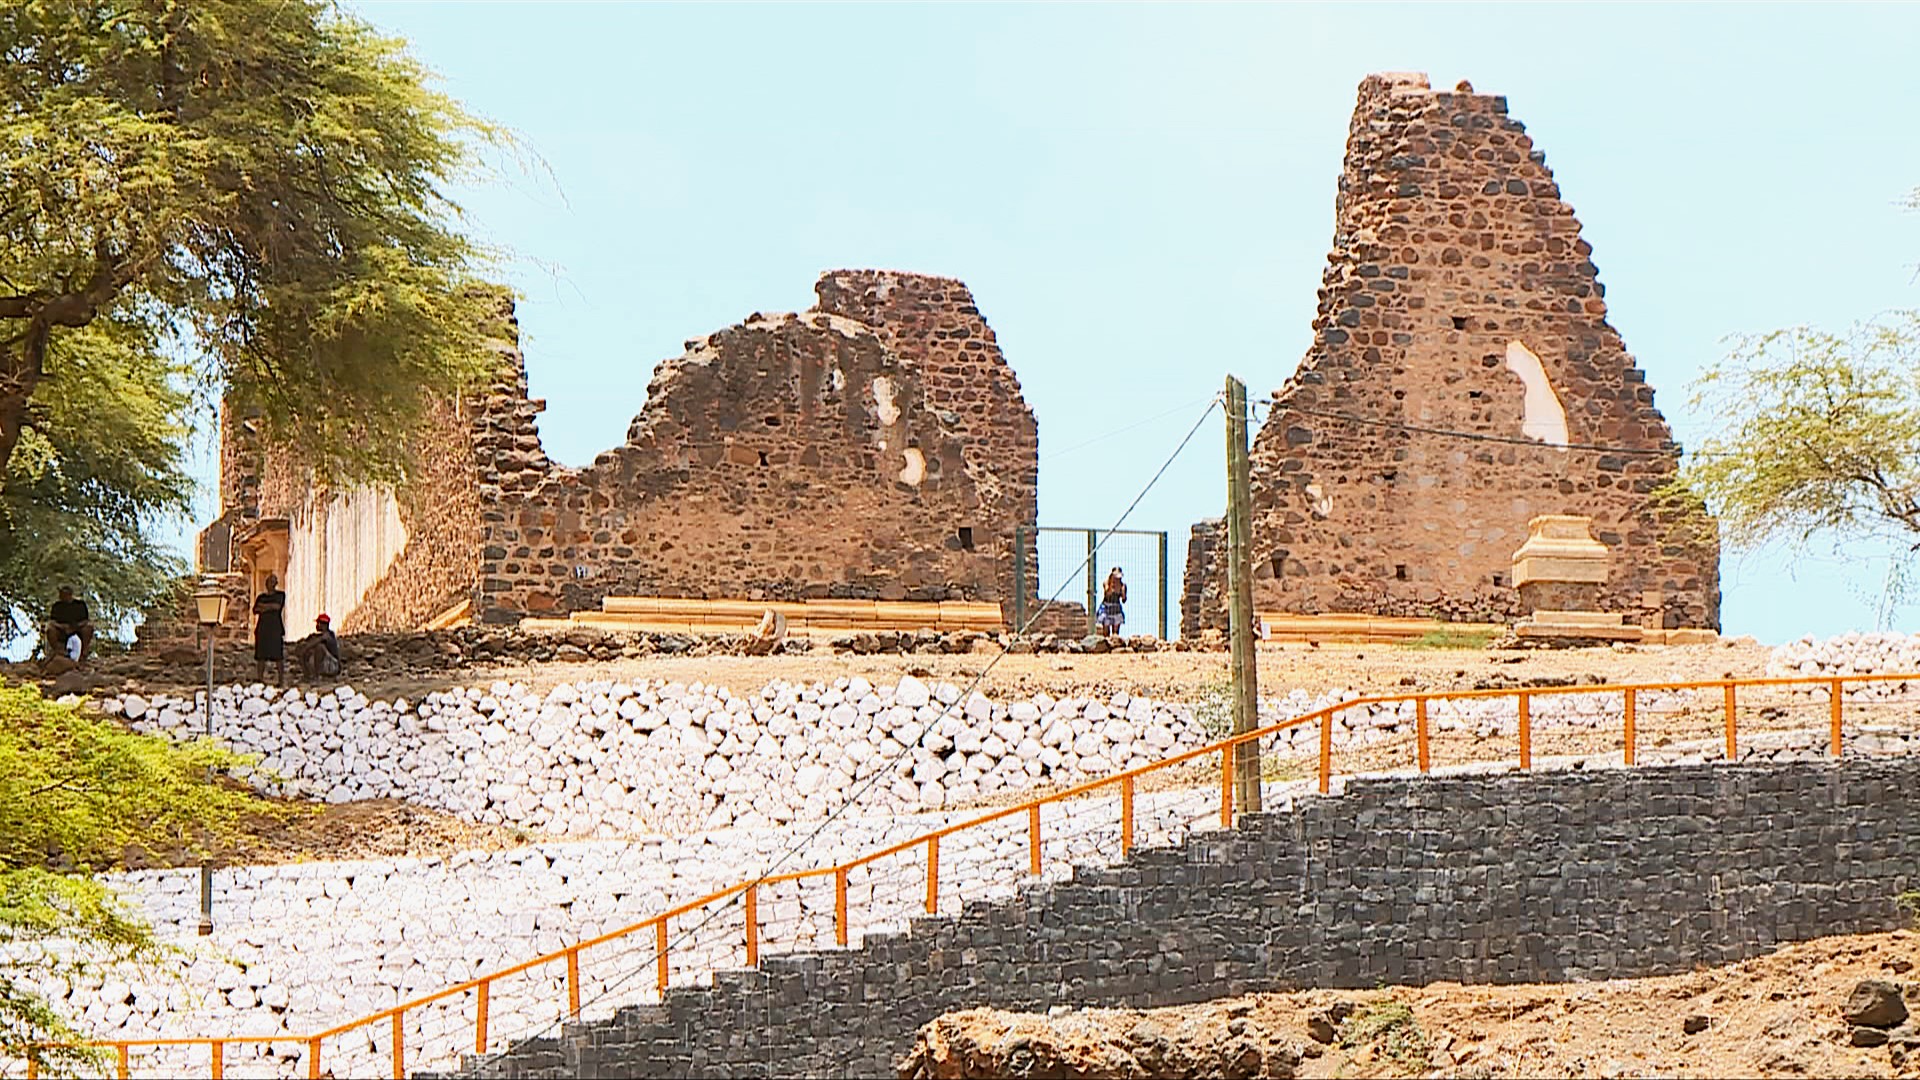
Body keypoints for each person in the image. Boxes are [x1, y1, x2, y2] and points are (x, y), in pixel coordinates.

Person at [252, 573, 287, 686]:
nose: (270, 584)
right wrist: (269, 607)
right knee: (261, 656)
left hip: (275, 629)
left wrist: (264, 607)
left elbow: (277, 606)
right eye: (268, 582)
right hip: (262, 629)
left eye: (272, 582)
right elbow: (255, 610)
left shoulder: (280, 595)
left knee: (278, 655)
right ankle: (260, 678)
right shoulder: (261, 597)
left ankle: (281, 680)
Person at [46, 586, 95, 662]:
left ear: (70, 595)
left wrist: (75, 627)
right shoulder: (57, 606)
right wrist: (62, 626)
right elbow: (52, 621)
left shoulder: (80, 605)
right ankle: (59, 651)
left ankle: (83, 652)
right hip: (62, 630)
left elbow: (86, 621)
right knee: (50, 630)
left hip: (77, 629)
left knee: (88, 628)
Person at [292, 613, 342, 680]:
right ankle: (307, 675)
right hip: (323, 663)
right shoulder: (316, 635)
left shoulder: (329, 635)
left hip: (332, 665)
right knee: (304, 649)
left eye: (318, 623)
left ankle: (317, 676)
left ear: (324, 625)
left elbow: (315, 643)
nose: (317, 625)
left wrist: (306, 647)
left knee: (319, 648)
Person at [1097, 567, 1127, 637]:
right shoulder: (1107, 583)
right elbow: (1107, 594)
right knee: (1106, 632)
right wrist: (1112, 586)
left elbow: (1124, 600)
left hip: (1116, 608)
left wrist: (1122, 592)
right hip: (1106, 607)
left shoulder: (1122, 585)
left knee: (1115, 633)